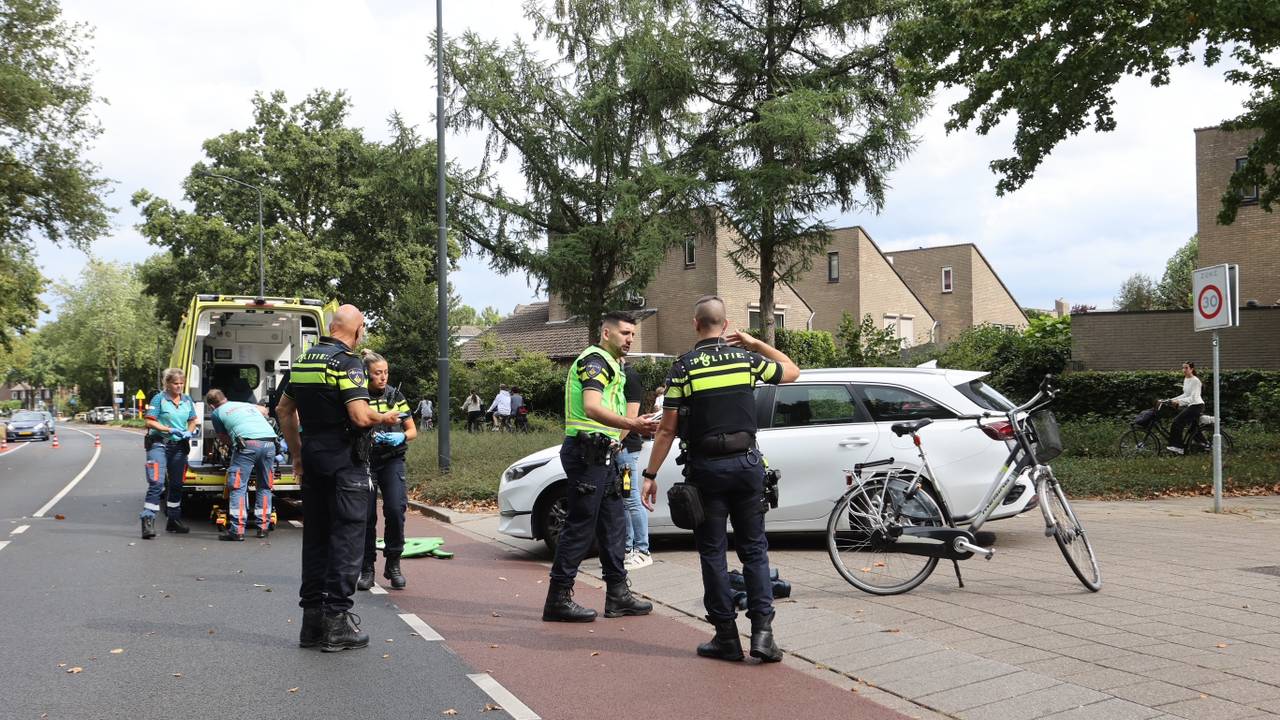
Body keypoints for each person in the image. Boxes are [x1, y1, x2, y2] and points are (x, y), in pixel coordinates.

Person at [640, 295, 799, 663]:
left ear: (696, 324)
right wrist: (756, 342)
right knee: (754, 550)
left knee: (712, 553)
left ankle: (726, 637)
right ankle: (763, 635)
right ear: (725, 326)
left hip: (706, 472)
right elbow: (791, 371)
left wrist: (650, 474)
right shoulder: (746, 360)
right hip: (747, 467)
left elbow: (666, 430)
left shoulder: (683, 368)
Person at [275, 304, 402, 653]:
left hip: (313, 460)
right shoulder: (347, 363)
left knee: (315, 539)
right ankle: (337, 623)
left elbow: (283, 410)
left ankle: (311, 624)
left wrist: (297, 454)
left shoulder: (303, 362)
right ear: (358, 330)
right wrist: (385, 416)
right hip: (345, 462)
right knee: (346, 538)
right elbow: (359, 417)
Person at [543, 311, 660, 623]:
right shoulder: (594, 361)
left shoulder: (614, 366)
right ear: (606, 333)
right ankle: (558, 597)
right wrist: (632, 424)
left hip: (602, 452)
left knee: (613, 525)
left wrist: (624, 433)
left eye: (632, 334)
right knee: (581, 524)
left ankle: (618, 594)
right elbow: (593, 407)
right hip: (587, 453)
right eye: (624, 333)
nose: (630, 339)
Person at [357, 351, 417, 591]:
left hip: (392, 460)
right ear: (367, 375)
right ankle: (367, 568)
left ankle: (393, 564)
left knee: (395, 510)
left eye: (386, 373)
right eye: (378, 373)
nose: (383, 378)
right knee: (367, 516)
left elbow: (412, 430)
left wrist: (401, 435)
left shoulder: (395, 395)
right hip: (366, 461)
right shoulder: (358, 395)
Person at [205, 389, 278, 541]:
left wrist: (233, 447)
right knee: (265, 486)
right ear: (226, 398)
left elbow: (223, 437)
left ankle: (237, 530)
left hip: (247, 445)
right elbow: (264, 411)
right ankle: (263, 528)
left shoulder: (217, 413)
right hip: (270, 443)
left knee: (238, 486)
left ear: (212, 406)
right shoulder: (244, 404)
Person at [140, 368, 197, 539]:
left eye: (181, 383)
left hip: (179, 446)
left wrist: (189, 431)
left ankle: (173, 520)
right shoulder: (159, 399)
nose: (179, 386)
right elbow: (149, 421)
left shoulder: (187, 399)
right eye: (175, 383)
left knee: (177, 485)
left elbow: (193, 420)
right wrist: (168, 429)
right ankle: (148, 521)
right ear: (167, 384)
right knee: (156, 482)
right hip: (159, 444)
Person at [618, 361, 651, 569]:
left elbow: (629, 418)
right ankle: (629, 547)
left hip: (626, 451)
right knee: (625, 498)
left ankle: (642, 549)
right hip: (622, 450)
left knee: (630, 498)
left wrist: (616, 442)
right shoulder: (621, 375)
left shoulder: (629, 376)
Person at [1166, 361, 1204, 455]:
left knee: (1177, 422)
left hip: (1197, 406)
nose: (1184, 370)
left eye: (1186, 368)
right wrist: (1171, 400)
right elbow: (1185, 394)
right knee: (1193, 429)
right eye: (1183, 368)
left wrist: (1178, 402)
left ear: (1192, 369)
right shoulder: (1186, 379)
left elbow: (1193, 398)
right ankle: (1203, 444)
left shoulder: (1196, 381)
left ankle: (1178, 447)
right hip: (1191, 405)